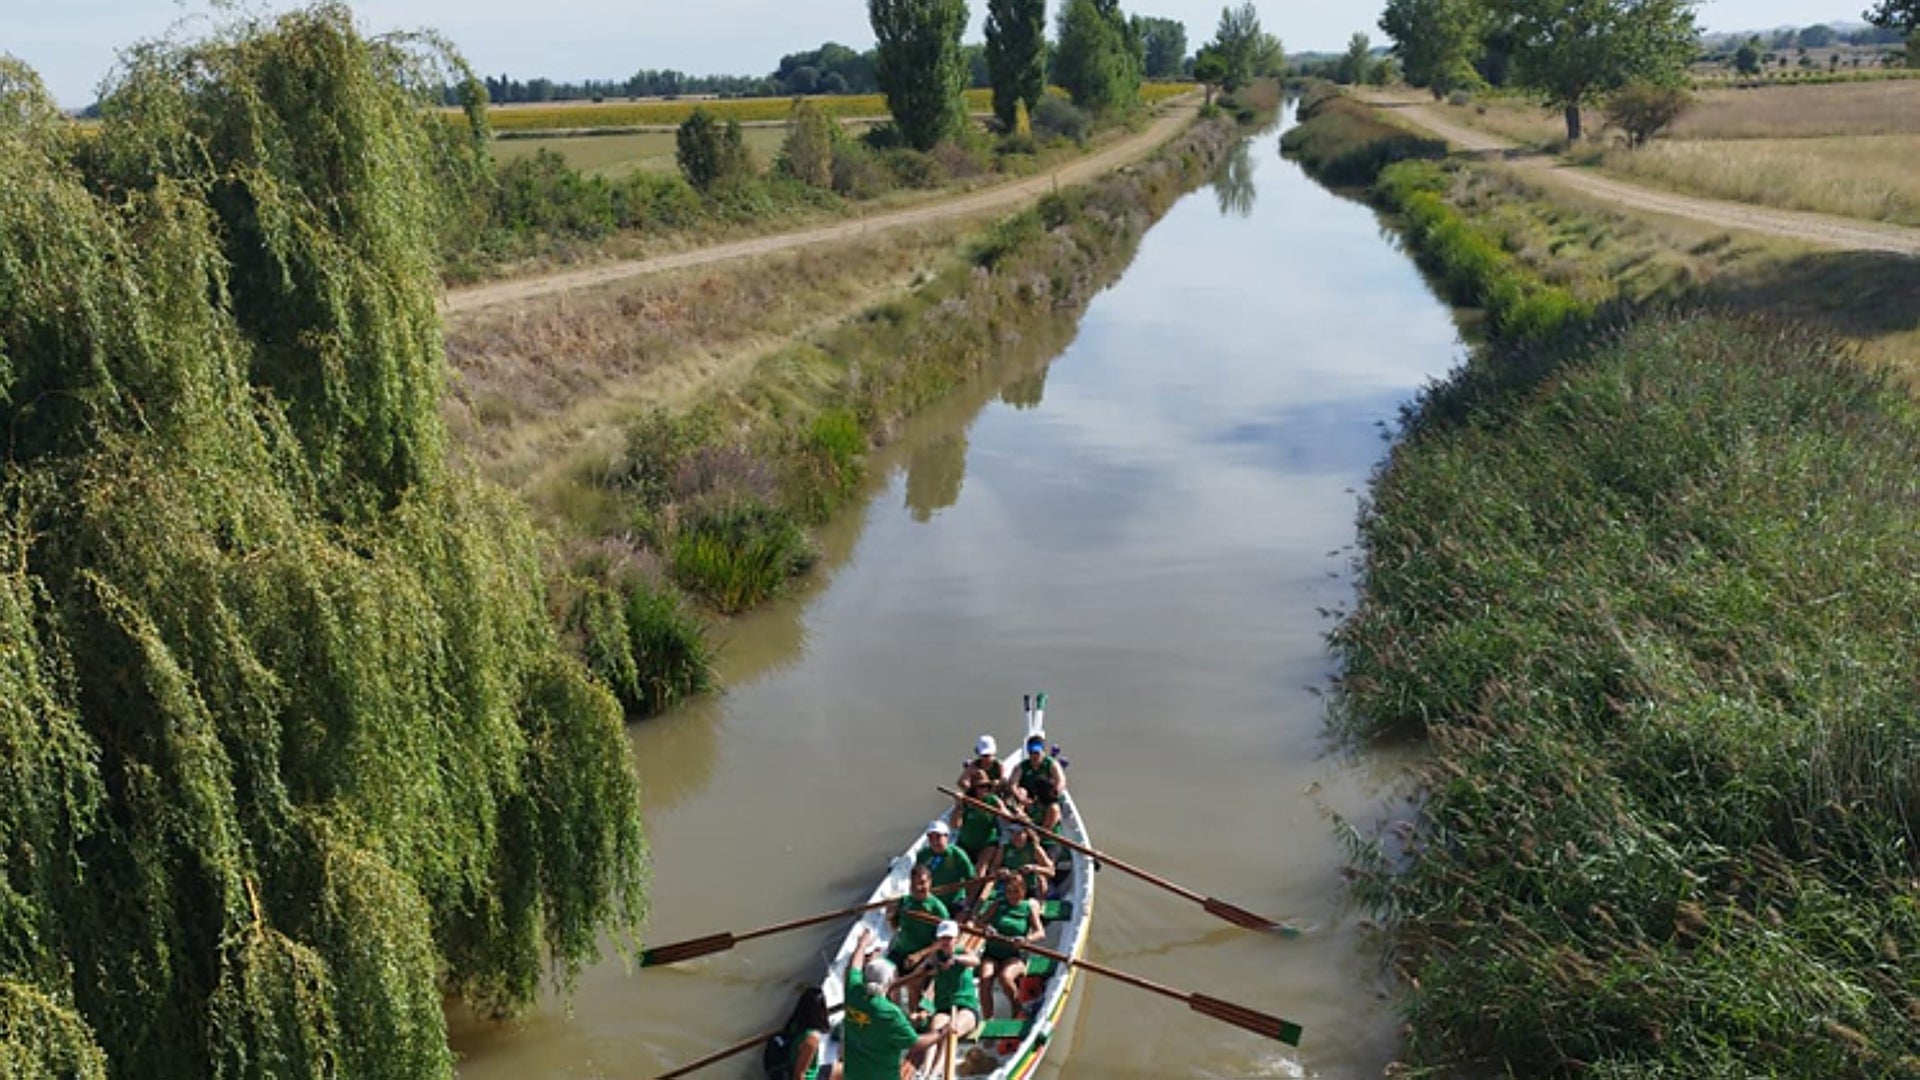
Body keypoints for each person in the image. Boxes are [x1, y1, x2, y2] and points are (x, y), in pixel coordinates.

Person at [839, 927, 917, 1080]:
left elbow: (854, 966)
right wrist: (942, 1033)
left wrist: (862, 944)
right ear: (889, 981)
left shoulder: (853, 991)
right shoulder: (890, 1012)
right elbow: (915, 1043)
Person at [904, 920, 981, 1073]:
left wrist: (955, 960)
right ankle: (925, 1072)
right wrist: (929, 966)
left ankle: (937, 1073)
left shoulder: (963, 952)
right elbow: (916, 976)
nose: (946, 942)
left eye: (949, 938)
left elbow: (975, 961)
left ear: (956, 939)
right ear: (938, 940)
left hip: (967, 1008)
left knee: (951, 1030)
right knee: (935, 1033)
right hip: (944, 1009)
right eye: (943, 938)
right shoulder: (935, 958)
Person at [975, 871, 1045, 1022]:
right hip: (992, 953)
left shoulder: (1028, 908)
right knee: (985, 978)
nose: (1012, 895)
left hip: (1014, 956)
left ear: (1023, 891)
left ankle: (1017, 1010)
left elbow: (1040, 933)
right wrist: (986, 929)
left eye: (1016, 892)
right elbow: (979, 922)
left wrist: (1026, 939)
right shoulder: (998, 904)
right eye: (1008, 892)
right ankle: (988, 1020)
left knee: (1005, 977)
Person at [884, 864, 948, 1009]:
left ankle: (914, 1017)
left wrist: (919, 955)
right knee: (885, 976)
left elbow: (943, 941)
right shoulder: (905, 902)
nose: (919, 887)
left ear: (930, 882)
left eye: (923, 883)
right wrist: (890, 915)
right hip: (900, 951)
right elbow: (896, 925)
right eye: (915, 884)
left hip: (924, 954)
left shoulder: (937, 908)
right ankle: (895, 1014)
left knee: (914, 983)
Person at [764, 986, 830, 1080]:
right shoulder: (811, 1038)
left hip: (788, 1068)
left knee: (837, 1069)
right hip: (808, 1077)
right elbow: (799, 1075)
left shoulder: (794, 1025)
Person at [1011, 732, 1067, 833]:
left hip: (1045, 797)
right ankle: (1021, 816)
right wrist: (1021, 799)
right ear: (1028, 752)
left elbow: (1061, 781)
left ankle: (1048, 824)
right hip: (1028, 797)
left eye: (1037, 753)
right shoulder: (1021, 766)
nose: (1035, 756)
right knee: (1021, 791)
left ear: (1043, 751)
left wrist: (1054, 793)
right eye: (1032, 753)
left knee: (1053, 808)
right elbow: (1013, 784)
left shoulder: (1052, 764)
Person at [995, 820, 1056, 900]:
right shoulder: (1005, 848)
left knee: (1041, 878)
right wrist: (1001, 871)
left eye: (1019, 833)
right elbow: (993, 868)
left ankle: (1040, 905)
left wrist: (1033, 868)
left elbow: (1051, 871)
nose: (1015, 837)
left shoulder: (1034, 848)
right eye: (1012, 833)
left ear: (1026, 834)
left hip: (1030, 887)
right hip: (1010, 886)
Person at [914, 819, 975, 896]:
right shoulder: (923, 855)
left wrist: (968, 900)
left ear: (946, 837)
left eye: (938, 837)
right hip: (932, 898)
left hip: (955, 900)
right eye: (931, 837)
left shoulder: (957, 855)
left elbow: (971, 879)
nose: (935, 841)